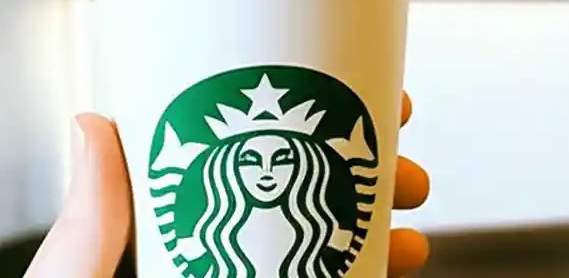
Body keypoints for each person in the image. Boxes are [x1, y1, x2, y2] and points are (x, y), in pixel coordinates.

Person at [24, 93, 430, 278]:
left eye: (283, 159)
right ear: (228, 171)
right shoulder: (202, 244)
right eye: (251, 160)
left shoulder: (333, 238)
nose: (267, 172)